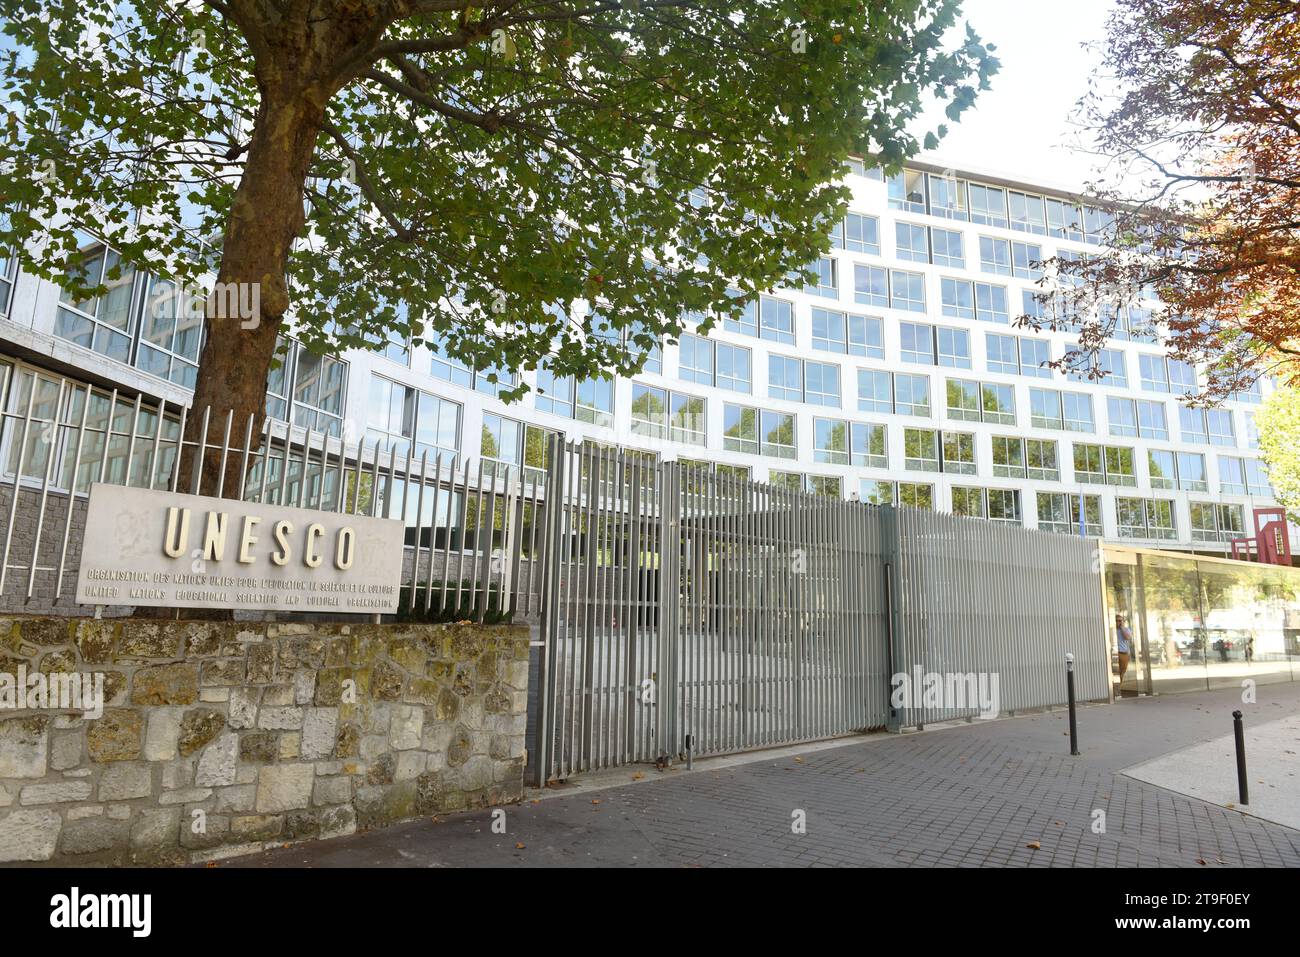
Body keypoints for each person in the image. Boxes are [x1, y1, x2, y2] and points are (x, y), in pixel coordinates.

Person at [1116, 614, 1133, 682]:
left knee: (1123, 672)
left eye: (1120, 621)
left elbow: (1127, 637)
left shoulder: (1126, 629)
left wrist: (1122, 628)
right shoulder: (1111, 630)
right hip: (1115, 653)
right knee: (1116, 672)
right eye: (1116, 621)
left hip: (1123, 653)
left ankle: (1120, 685)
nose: (1118, 622)